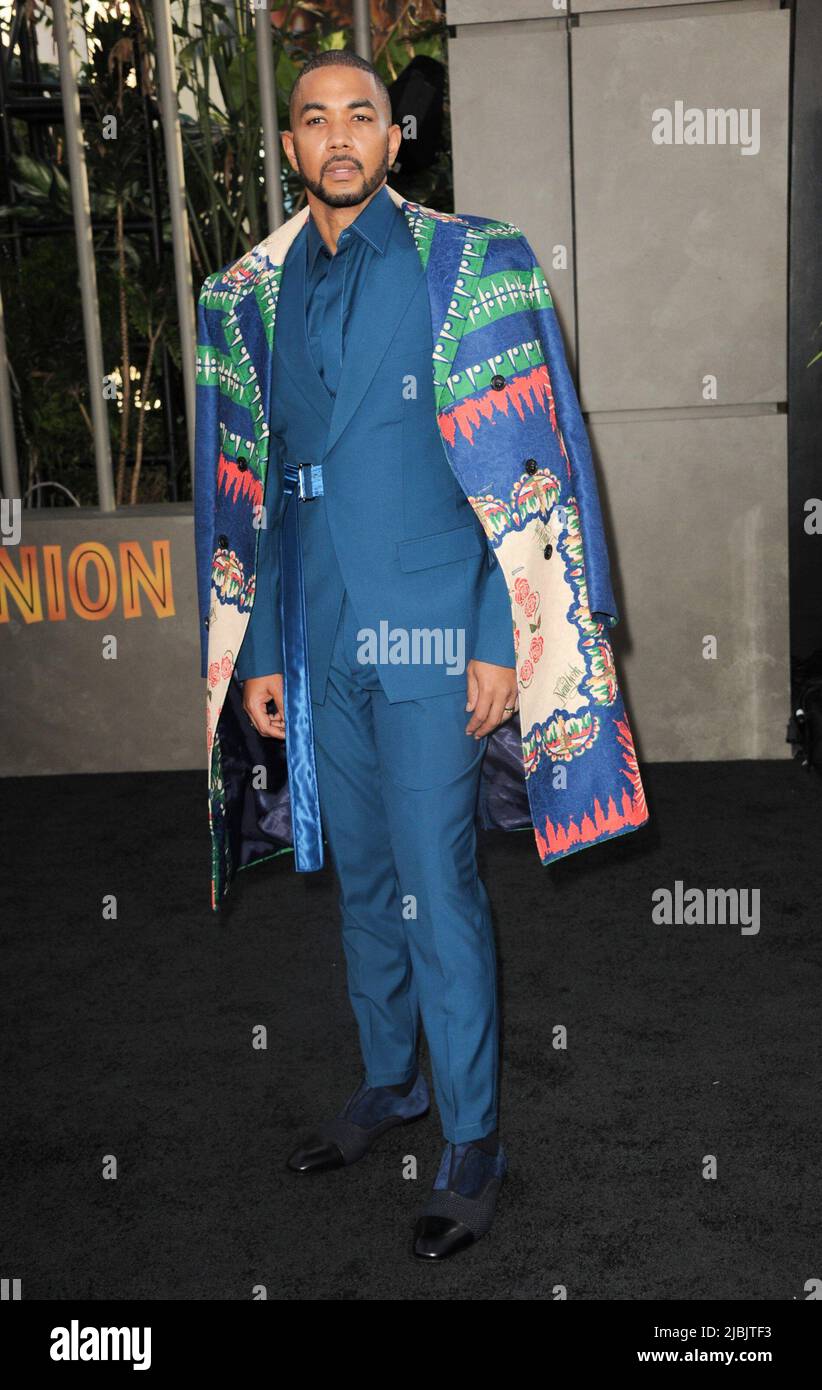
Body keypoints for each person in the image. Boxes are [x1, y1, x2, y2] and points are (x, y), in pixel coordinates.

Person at [238, 51, 515, 1261]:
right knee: (359, 877)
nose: (339, 136)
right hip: (317, 630)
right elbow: (251, 489)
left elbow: (522, 455)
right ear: (290, 146)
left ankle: (474, 1139)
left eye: (362, 115)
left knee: (436, 877)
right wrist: (260, 646)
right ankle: (390, 1080)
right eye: (316, 119)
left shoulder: (470, 266)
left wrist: (505, 635)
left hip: (432, 621)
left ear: (397, 139)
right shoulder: (250, 295)